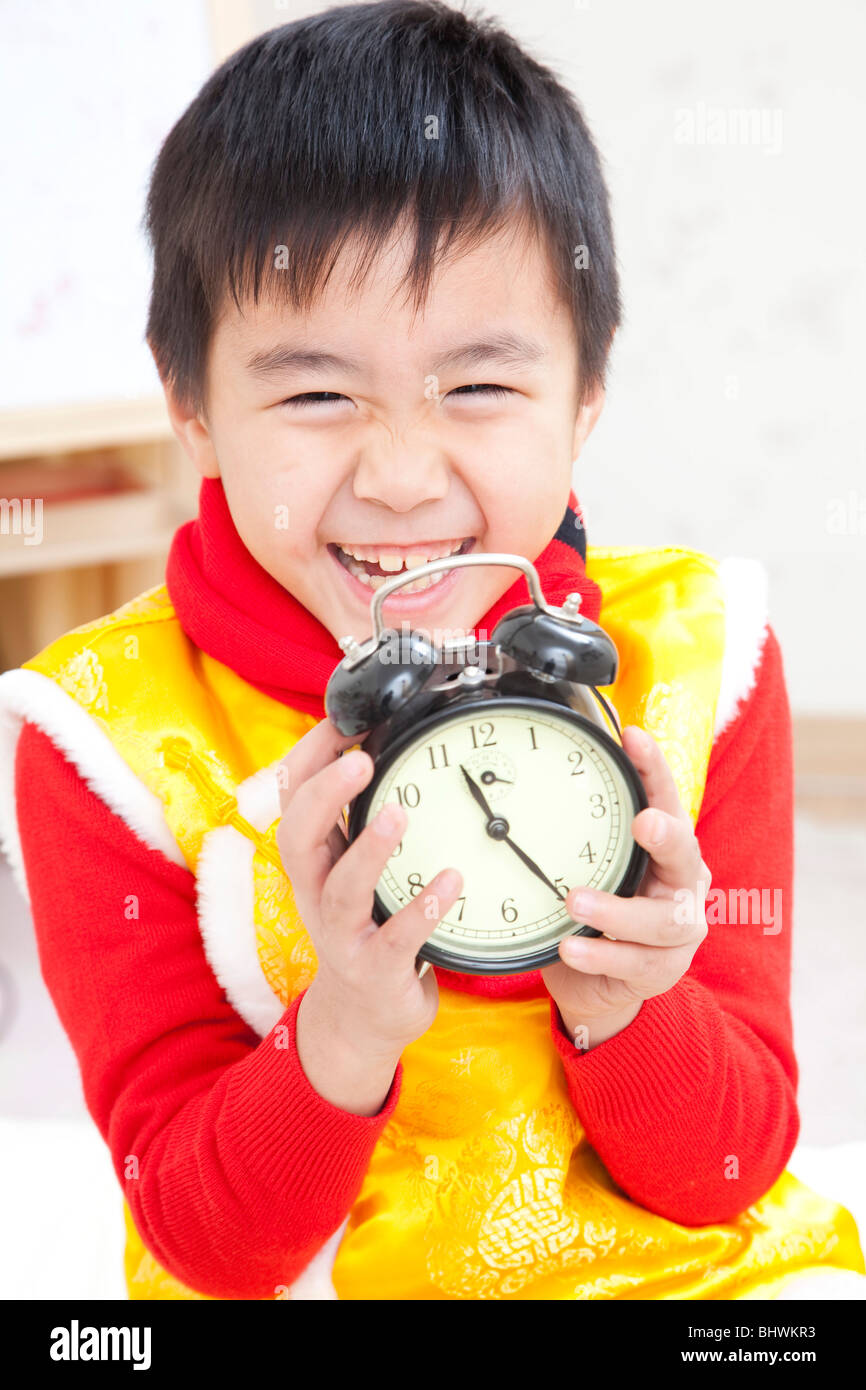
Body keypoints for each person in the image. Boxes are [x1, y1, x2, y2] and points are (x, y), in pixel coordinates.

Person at [1, 1, 863, 1300]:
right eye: (313, 393)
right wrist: (339, 1029)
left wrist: (632, 1001)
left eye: (477, 386)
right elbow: (210, 1246)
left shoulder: (696, 660)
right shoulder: (106, 736)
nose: (402, 477)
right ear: (191, 406)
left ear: (583, 398)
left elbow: (728, 1168)